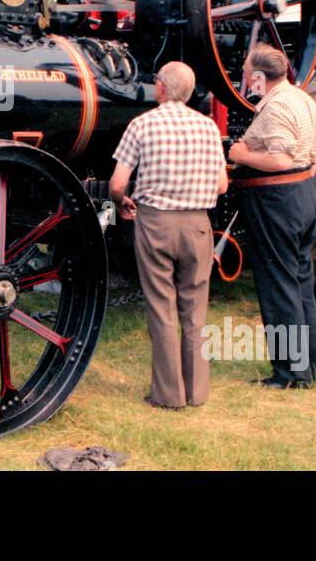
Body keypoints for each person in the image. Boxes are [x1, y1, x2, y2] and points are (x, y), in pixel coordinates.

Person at [110, 61, 228, 409]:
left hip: (156, 222)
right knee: (195, 309)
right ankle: (197, 391)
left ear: (160, 87)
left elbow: (118, 184)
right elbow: (222, 185)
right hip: (197, 224)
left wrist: (122, 202)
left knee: (162, 307)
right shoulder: (208, 127)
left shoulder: (141, 124)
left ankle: (168, 394)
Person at [227, 45, 316, 389]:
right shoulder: (303, 100)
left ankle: (288, 374)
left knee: (278, 286)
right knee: (299, 284)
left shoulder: (277, 107)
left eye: (244, 70)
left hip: (276, 201)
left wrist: (239, 153)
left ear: (258, 76)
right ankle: (309, 366)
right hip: (302, 196)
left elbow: (281, 159)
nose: (241, 76)